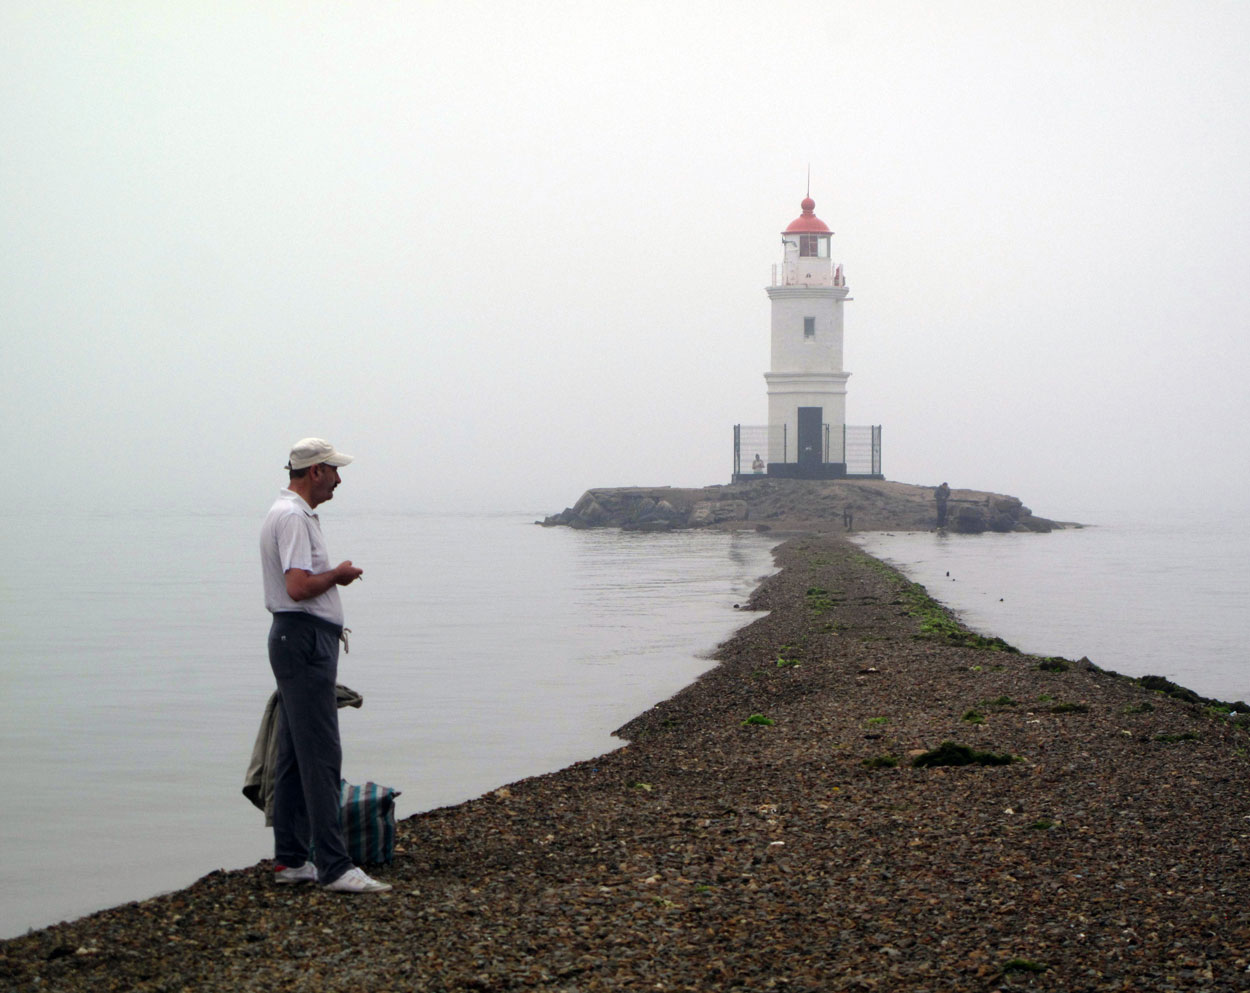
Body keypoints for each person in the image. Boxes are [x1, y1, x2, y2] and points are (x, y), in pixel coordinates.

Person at [259, 437, 390, 894]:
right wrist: (338, 574)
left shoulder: (287, 513)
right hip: (303, 638)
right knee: (320, 754)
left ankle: (292, 860)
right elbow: (297, 587)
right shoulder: (294, 517)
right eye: (334, 469)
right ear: (314, 471)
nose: (339, 478)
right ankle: (334, 866)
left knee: (295, 755)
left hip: (297, 638)